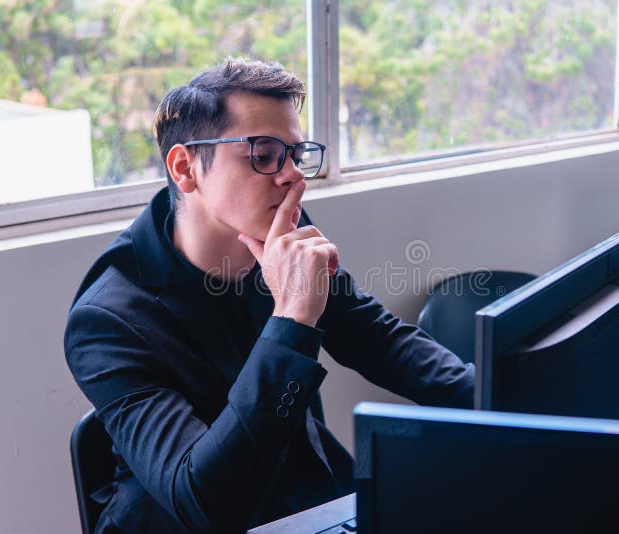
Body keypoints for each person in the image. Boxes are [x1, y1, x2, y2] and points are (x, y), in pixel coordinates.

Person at [64, 57, 473, 533]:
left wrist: (504, 401)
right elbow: (205, 502)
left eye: (295, 155)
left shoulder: (282, 226)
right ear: (185, 168)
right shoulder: (106, 321)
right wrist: (294, 315)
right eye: (263, 154)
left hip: (306, 502)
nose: (293, 177)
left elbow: (381, 340)